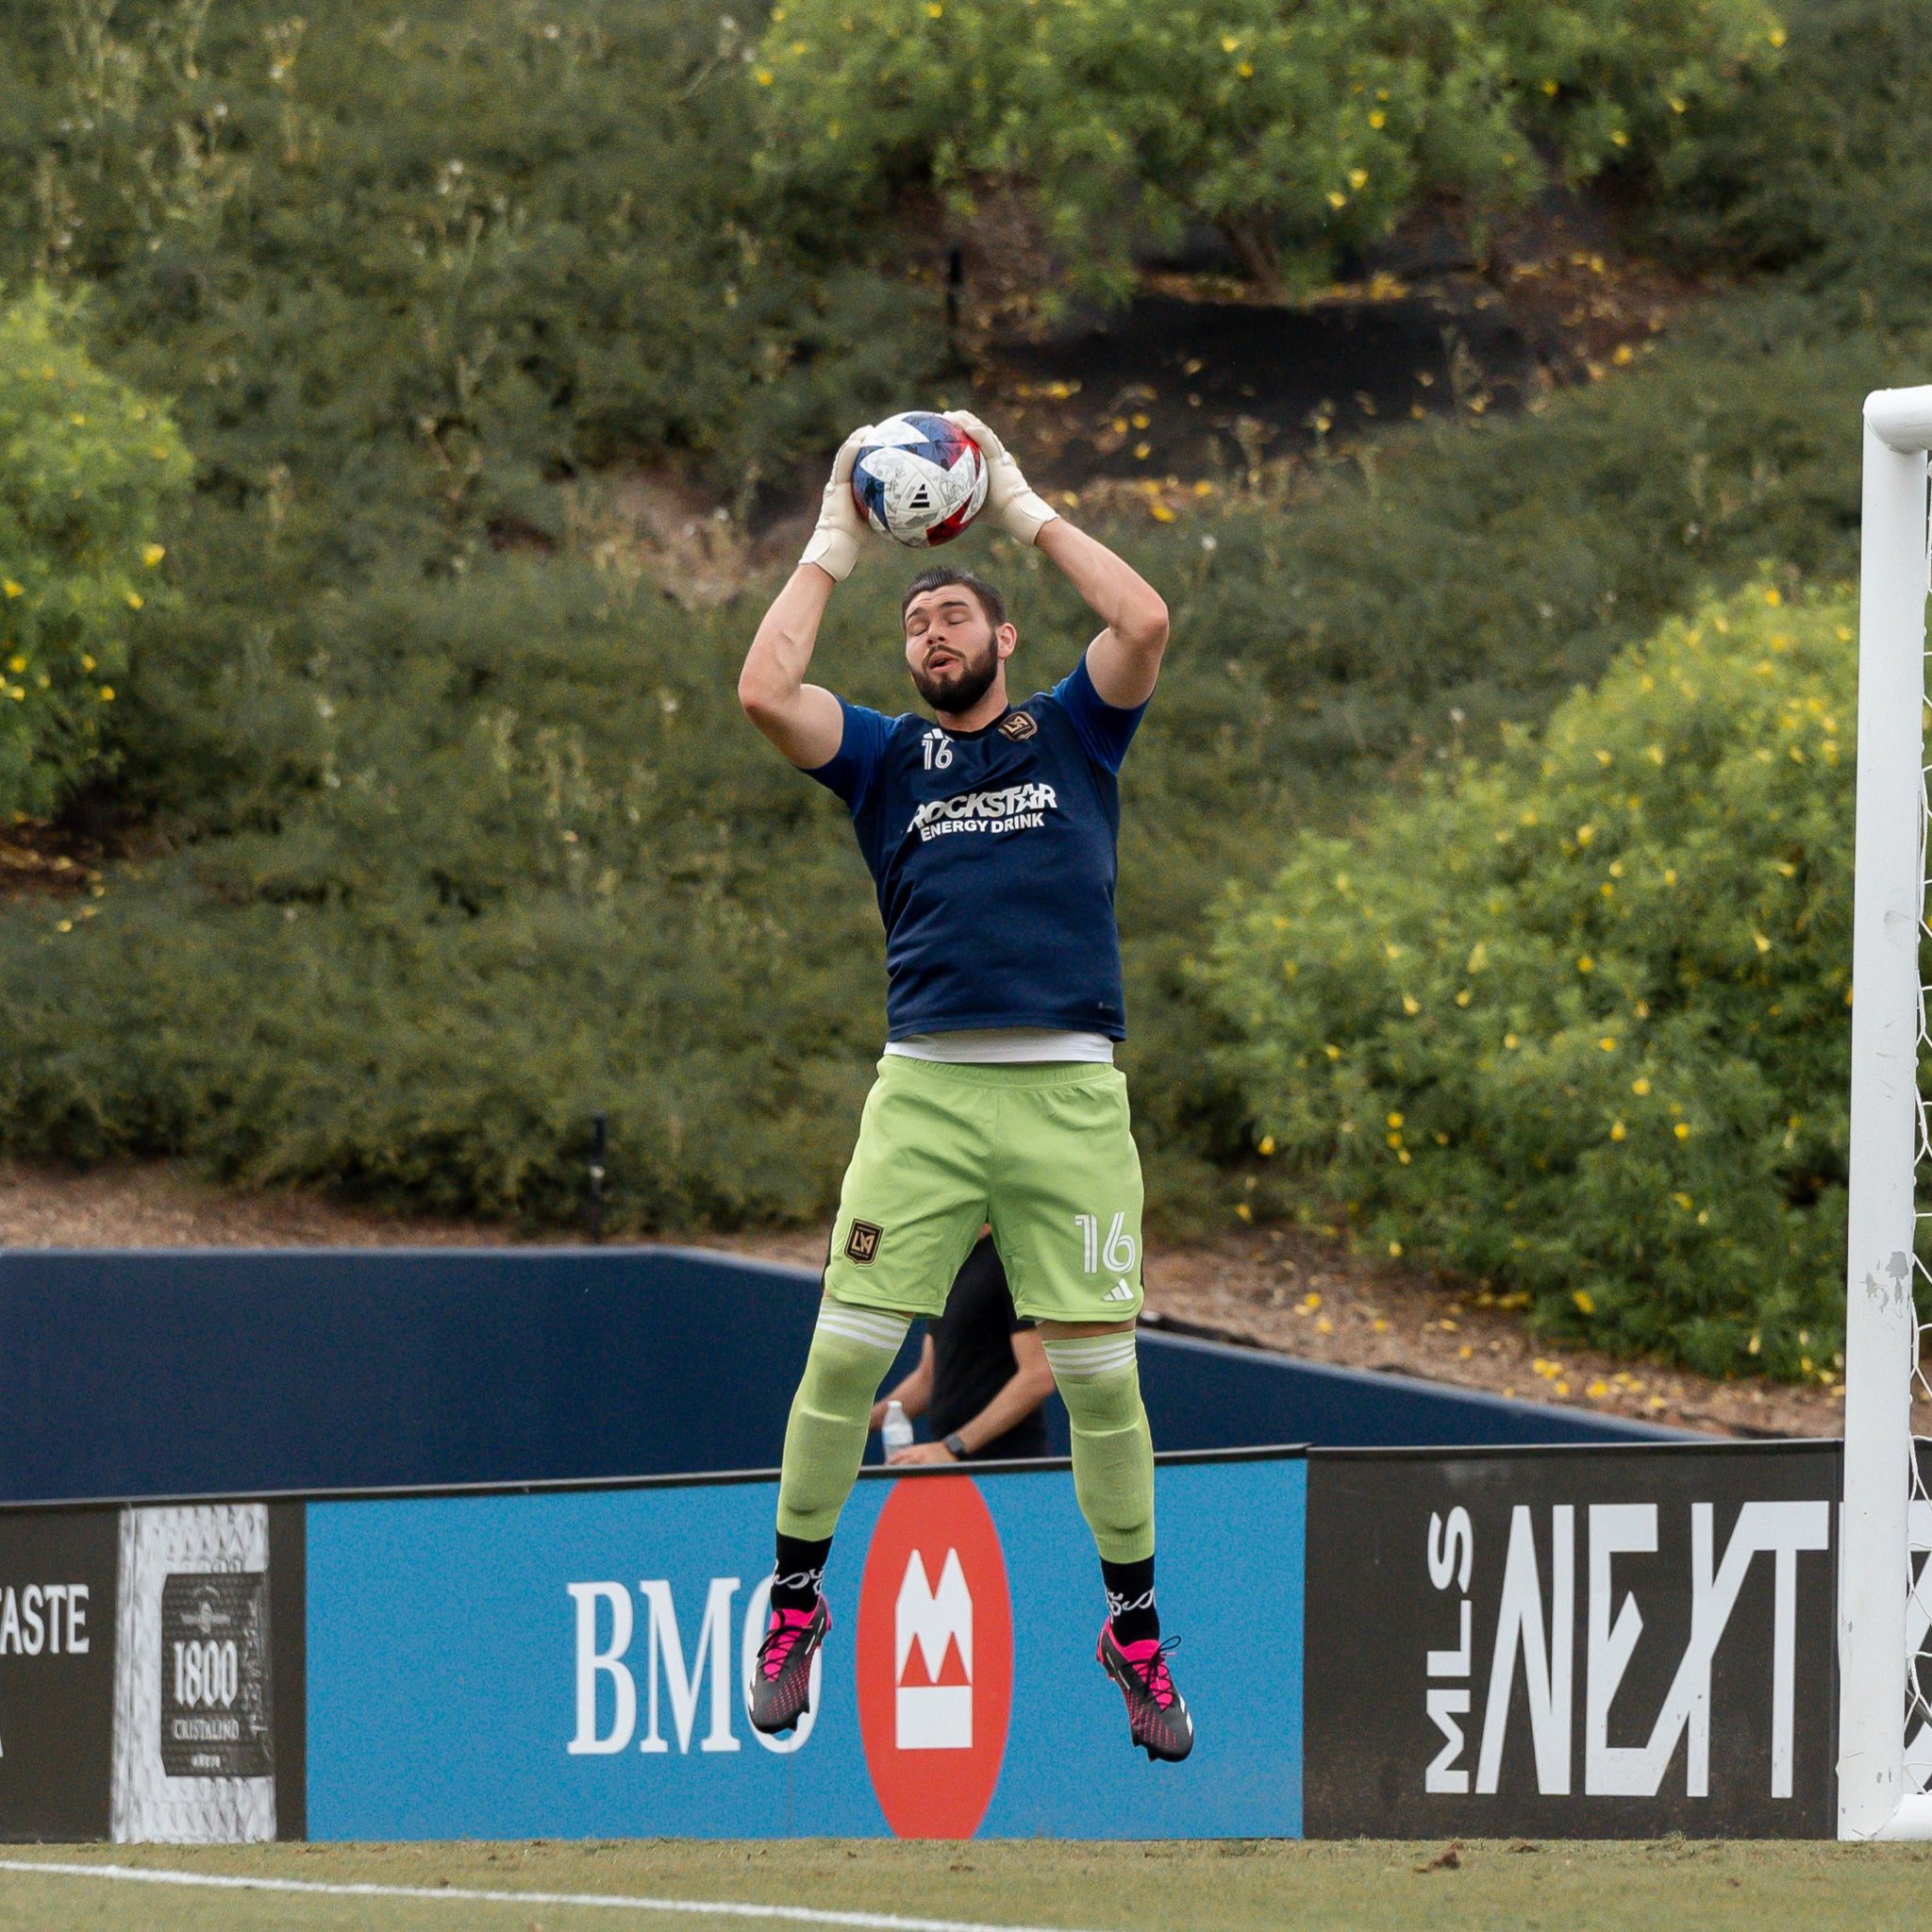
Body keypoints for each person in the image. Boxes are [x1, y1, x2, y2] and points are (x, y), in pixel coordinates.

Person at [735, 410, 1191, 1762]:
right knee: (842, 1359)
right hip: (927, 1095)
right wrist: (831, 538)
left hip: (1068, 1100)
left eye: (954, 617)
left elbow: (1148, 621)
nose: (930, 632)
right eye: (914, 620)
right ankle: (797, 1602)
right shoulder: (886, 760)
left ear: (1003, 640)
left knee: (1104, 1384)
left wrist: (1020, 504)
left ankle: (1133, 1627)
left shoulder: (1072, 736)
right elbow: (765, 693)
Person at [871, 1231, 1055, 1466]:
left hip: (1008, 1471)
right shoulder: (948, 1266)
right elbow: (927, 1379)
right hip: (954, 1468)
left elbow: (1038, 1375)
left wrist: (954, 1446)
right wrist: (860, 1422)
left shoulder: (1013, 1260)